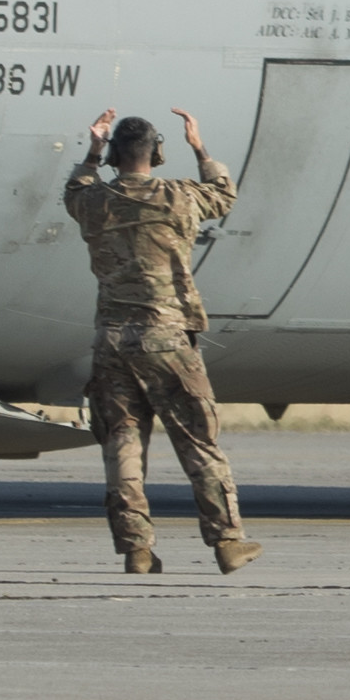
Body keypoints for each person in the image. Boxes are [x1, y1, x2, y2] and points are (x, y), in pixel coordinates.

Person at [63, 106, 253, 572]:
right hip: (167, 338)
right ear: (157, 152)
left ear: (114, 156)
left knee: (123, 444)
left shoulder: (96, 202)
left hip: (112, 342)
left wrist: (91, 150)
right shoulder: (179, 197)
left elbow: (74, 190)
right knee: (198, 442)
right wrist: (200, 147)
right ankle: (227, 541)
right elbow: (224, 194)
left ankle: (137, 549)